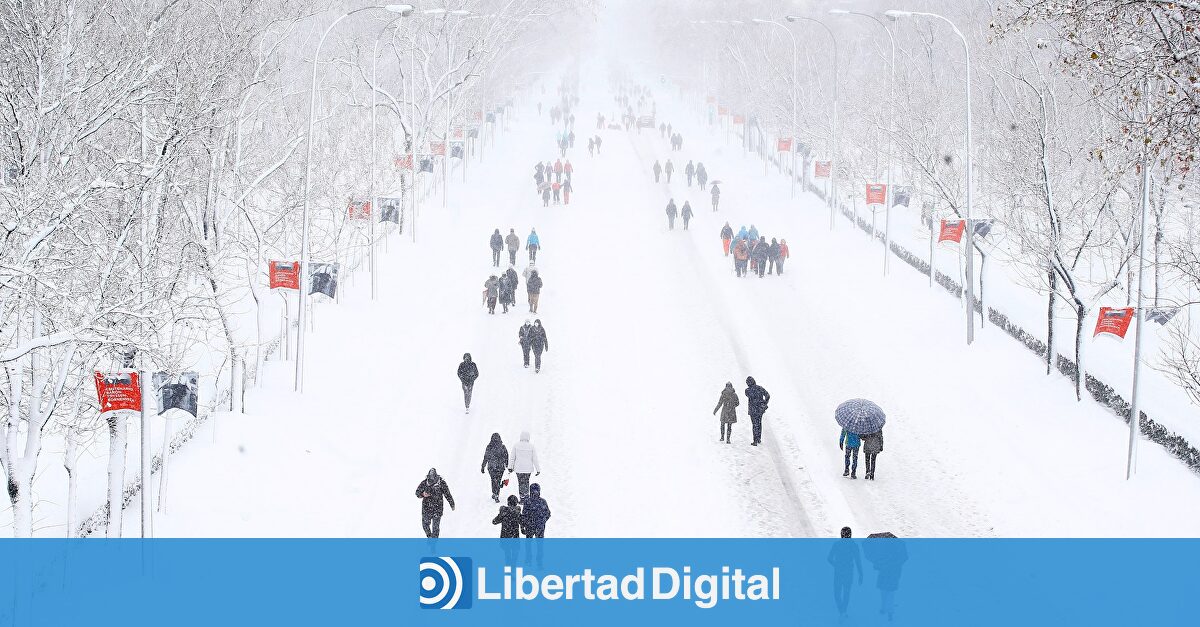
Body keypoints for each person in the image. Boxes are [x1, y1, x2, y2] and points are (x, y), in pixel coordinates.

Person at [828, 526, 863, 620]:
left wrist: (836, 565)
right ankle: (843, 612)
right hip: (849, 572)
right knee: (846, 593)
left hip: (838, 572)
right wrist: (861, 574)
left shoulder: (836, 544)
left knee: (837, 593)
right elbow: (858, 561)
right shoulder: (854, 545)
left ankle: (841, 611)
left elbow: (829, 558)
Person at [415, 468, 455, 538]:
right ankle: (430, 537)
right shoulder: (424, 483)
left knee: (435, 528)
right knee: (425, 524)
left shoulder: (441, 483)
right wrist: (423, 494)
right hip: (427, 508)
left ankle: (433, 544)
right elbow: (417, 492)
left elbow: (447, 494)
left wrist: (452, 504)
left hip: (437, 509)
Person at [507, 431, 541, 500]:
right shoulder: (531, 446)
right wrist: (538, 470)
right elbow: (535, 459)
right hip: (528, 469)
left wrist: (510, 467)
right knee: (526, 482)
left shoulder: (516, 445)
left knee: (520, 482)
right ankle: (526, 497)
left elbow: (512, 458)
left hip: (518, 469)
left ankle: (522, 497)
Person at [481, 433, 510, 502]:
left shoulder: (489, 447)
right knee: (498, 480)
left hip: (491, 467)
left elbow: (486, 457)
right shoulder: (502, 447)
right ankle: (497, 494)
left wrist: (483, 466)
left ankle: (494, 493)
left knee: (493, 480)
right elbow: (506, 456)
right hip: (500, 467)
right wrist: (507, 465)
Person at [744, 376, 770, 446]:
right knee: (759, 423)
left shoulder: (747, 390)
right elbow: (767, 395)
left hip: (753, 410)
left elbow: (749, 395)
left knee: (754, 424)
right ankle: (758, 438)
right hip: (760, 409)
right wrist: (764, 403)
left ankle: (755, 440)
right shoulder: (760, 388)